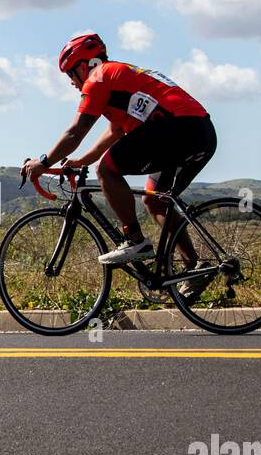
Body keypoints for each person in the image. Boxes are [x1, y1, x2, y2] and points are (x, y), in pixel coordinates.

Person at [21, 32, 218, 278]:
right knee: (155, 200)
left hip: (176, 129)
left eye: (70, 74)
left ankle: (135, 239)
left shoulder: (98, 78)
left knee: (106, 169)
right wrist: (82, 161)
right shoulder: (118, 76)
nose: (71, 82)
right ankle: (194, 269)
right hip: (201, 132)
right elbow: (115, 131)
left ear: (83, 67)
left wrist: (44, 162)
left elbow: (75, 132)